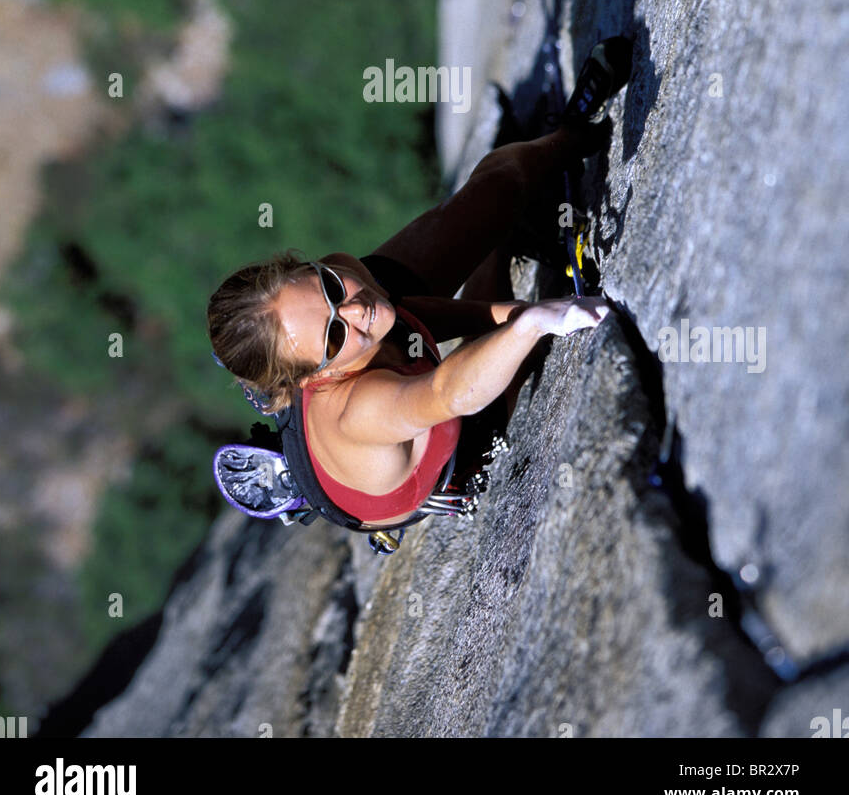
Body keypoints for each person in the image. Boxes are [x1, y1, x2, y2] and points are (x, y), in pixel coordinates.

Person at [207, 40, 631, 532]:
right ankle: (510, 243)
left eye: (328, 288)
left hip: (373, 360)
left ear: (307, 268)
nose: (354, 310)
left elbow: (412, 316)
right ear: (308, 378)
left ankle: (567, 141)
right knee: (506, 349)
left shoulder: (344, 277)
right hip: (447, 441)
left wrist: (566, 145)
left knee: (496, 190)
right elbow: (449, 392)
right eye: (332, 335)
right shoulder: (357, 414)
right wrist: (531, 323)